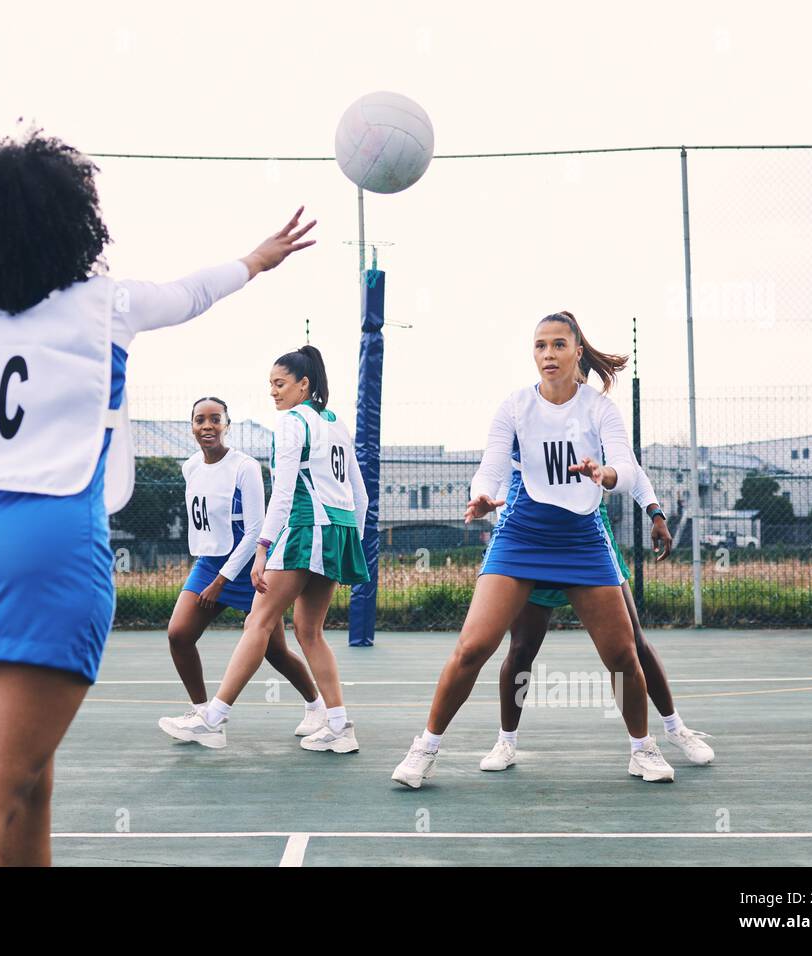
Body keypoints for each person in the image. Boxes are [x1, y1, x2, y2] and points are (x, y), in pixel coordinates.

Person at [0, 128, 316, 864]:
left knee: (28, 779)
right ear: (66, 222)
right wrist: (257, 260)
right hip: (47, 548)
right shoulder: (104, 304)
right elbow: (192, 292)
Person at [392, 310, 675, 788]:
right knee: (473, 647)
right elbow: (491, 466)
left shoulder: (598, 408)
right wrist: (481, 495)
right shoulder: (516, 406)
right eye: (541, 346)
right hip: (521, 536)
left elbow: (625, 467)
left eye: (559, 345)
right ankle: (425, 748)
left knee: (624, 655)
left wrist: (605, 475)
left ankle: (643, 749)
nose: (549, 354)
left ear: (576, 351)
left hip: (582, 540)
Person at [159, 347, 369, 753]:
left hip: (306, 529)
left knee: (258, 621)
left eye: (280, 383)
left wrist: (263, 548)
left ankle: (213, 718)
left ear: (302, 385)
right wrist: (352, 541)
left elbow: (285, 491)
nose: (273, 392)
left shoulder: (291, 422)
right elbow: (358, 494)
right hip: (338, 531)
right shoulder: (336, 423)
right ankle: (339, 726)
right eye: (271, 385)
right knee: (309, 633)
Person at [483, 456, 715, 771]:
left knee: (631, 644)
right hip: (533, 535)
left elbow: (631, 470)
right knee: (521, 648)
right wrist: (504, 523)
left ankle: (675, 729)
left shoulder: (594, 414)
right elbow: (495, 474)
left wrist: (656, 513)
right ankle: (505, 742)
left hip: (588, 535)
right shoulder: (521, 415)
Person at [157, 396, 325, 745]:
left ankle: (317, 705)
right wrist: (211, 570)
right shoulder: (190, 467)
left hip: (247, 565)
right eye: (200, 420)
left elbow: (255, 530)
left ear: (227, 425)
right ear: (192, 426)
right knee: (179, 634)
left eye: (215, 419)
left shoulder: (244, 467)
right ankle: (204, 714)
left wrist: (223, 580)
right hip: (209, 563)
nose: (207, 426)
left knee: (275, 651)